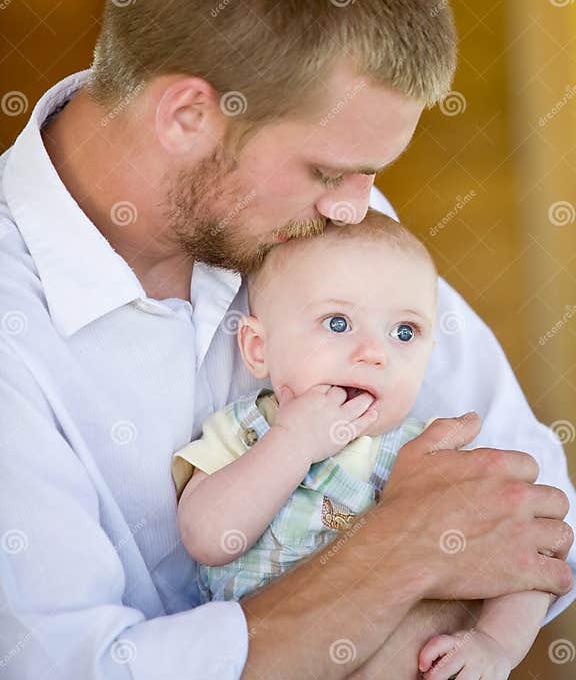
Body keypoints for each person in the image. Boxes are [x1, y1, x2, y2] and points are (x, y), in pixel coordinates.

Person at [0, 0, 574, 680]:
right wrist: (400, 554)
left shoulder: (320, 219)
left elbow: (533, 510)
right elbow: (76, 668)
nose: (357, 208)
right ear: (189, 115)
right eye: (327, 170)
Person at [173, 210, 559, 679]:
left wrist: (494, 645)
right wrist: (292, 442)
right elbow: (208, 538)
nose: (374, 354)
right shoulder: (247, 431)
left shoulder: (429, 453)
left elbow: (529, 557)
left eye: (404, 333)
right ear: (259, 348)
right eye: (337, 323)